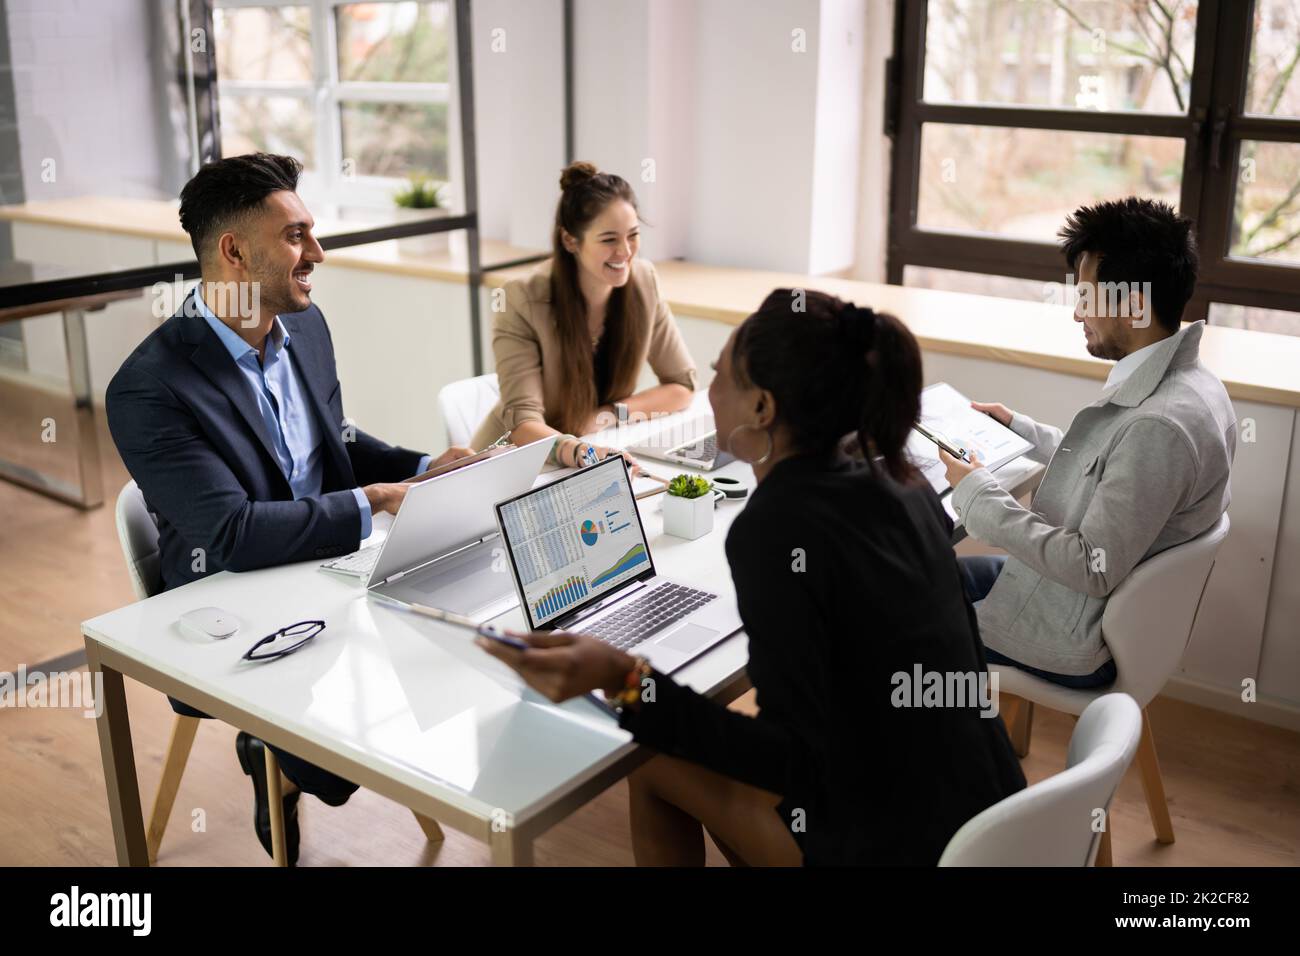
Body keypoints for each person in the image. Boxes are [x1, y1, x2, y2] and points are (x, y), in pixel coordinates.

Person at [479, 289, 1026, 866]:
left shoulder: (778, 525)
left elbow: (786, 761)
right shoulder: (902, 481)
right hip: (991, 818)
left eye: (720, 375)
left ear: (762, 407)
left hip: (895, 848)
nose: (709, 391)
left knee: (651, 757)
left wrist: (625, 679)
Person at [106, 153, 472, 864]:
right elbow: (234, 534)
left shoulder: (304, 327)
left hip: (324, 566)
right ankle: (274, 755)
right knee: (346, 750)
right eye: (296, 236)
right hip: (232, 599)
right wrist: (379, 501)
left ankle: (280, 758)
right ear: (234, 252)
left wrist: (424, 469)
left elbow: (336, 441)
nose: (318, 254)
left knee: (450, 641)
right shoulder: (150, 387)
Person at [940, 197, 1236, 688]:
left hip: (1076, 634)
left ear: (1135, 304)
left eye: (1086, 296)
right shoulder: (1193, 386)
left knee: (898, 618)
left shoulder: (1159, 426)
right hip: (1084, 610)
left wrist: (977, 495)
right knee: (924, 579)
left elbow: (1089, 565)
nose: (1078, 314)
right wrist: (1023, 432)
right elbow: (1116, 471)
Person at [471, 162, 697, 469]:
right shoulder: (522, 299)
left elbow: (682, 386)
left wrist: (609, 414)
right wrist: (583, 453)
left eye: (633, 235)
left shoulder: (644, 281)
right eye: (609, 239)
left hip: (586, 456)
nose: (625, 252)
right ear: (570, 241)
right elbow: (522, 423)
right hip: (510, 463)